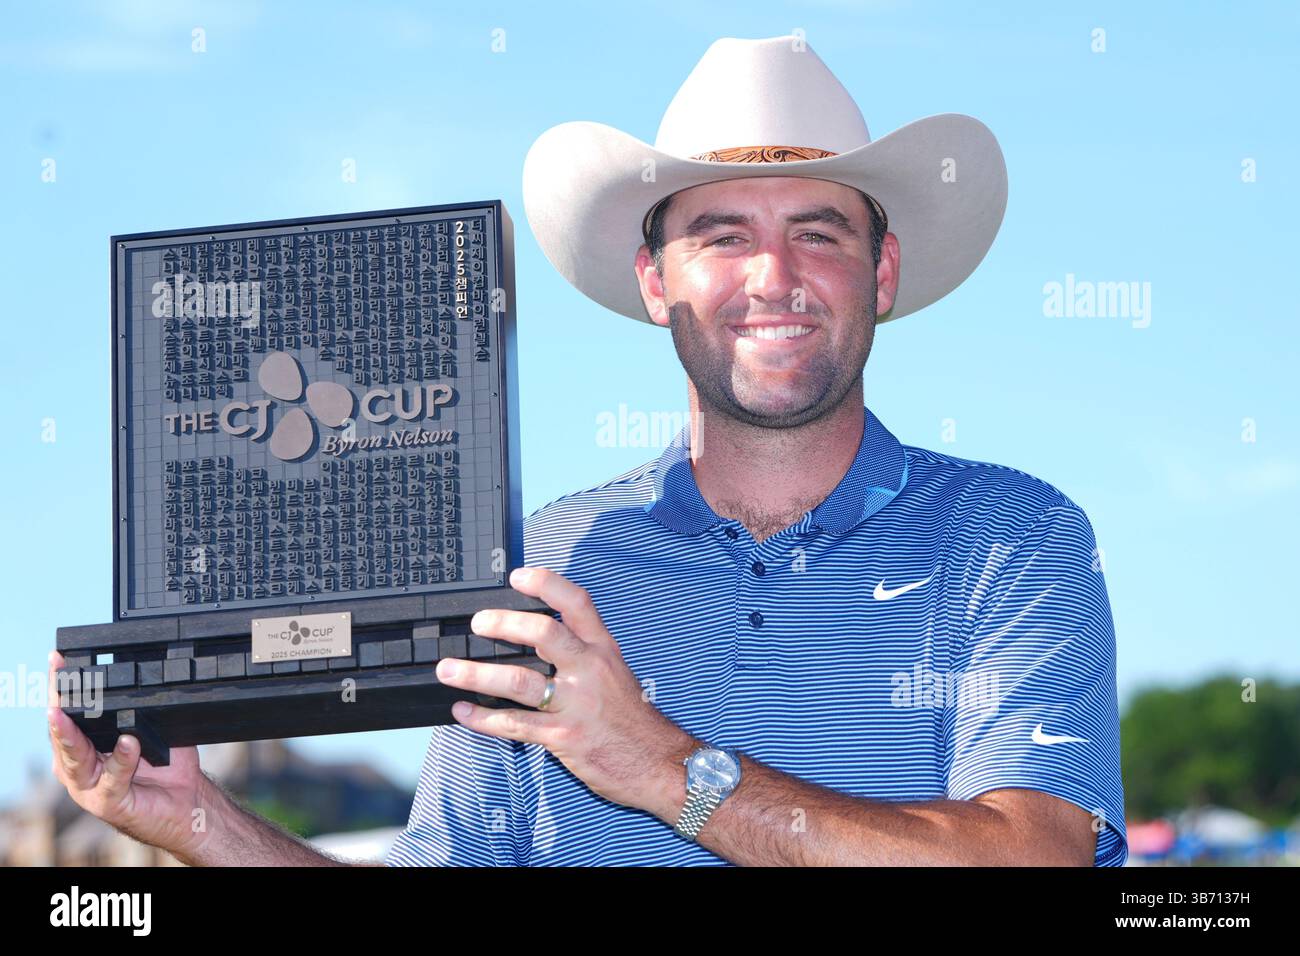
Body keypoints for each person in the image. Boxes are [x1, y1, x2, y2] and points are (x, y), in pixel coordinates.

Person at [48, 34, 1127, 866]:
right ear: (656, 281)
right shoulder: (545, 565)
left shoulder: (1012, 537)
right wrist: (207, 824)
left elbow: (1032, 852)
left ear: (880, 274)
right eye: (721, 235)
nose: (772, 276)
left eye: (818, 229)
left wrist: (663, 766)